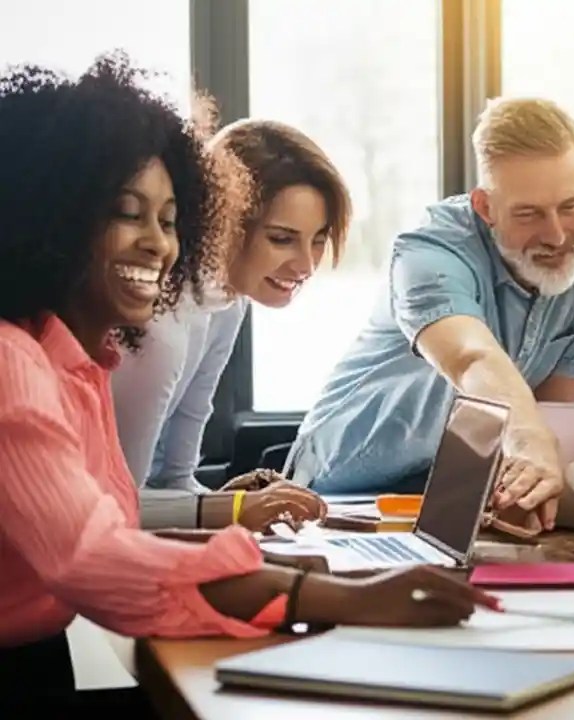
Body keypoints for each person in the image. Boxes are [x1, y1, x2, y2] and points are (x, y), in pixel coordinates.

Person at [0, 55, 494, 709]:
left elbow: (121, 516)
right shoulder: (14, 364)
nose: (158, 244)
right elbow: (95, 554)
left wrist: (275, 566)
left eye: (169, 220)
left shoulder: (81, 366)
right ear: (53, 221)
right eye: (127, 213)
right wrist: (333, 594)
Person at [287, 97, 574, 533]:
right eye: (529, 214)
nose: (557, 234)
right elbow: (471, 358)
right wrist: (527, 438)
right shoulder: (425, 255)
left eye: (570, 205)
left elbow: (556, 405)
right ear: (485, 207)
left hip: (463, 485)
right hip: (340, 488)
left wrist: (534, 481)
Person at [112, 118, 349, 533]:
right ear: (222, 223)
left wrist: (240, 501)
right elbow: (111, 509)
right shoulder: (157, 329)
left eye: (317, 238)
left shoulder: (226, 306)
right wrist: (231, 510)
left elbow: (176, 480)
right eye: (281, 238)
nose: (307, 264)